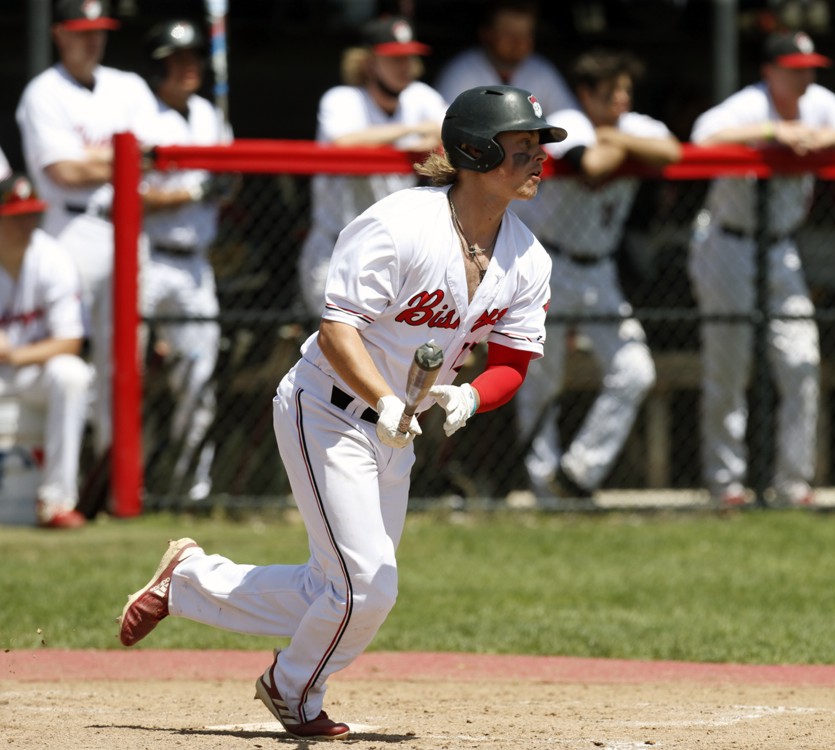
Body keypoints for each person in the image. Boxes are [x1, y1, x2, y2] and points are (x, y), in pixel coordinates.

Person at [117, 85, 563, 739]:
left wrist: (470, 395)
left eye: (538, 149)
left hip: (396, 430)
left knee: (333, 591)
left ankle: (187, 581)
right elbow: (337, 332)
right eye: (521, 148)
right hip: (325, 409)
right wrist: (383, 400)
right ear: (475, 150)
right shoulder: (400, 225)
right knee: (368, 585)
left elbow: (513, 362)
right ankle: (292, 689)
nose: (537, 160)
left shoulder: (528, 257)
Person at [687, 30, 835, 508]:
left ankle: (793, 484)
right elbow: (701, 137)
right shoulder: (750, 104)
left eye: (808, 66)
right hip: (727, 241)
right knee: (728, 367)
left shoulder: (818, 103)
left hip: (780, 247)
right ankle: (725, 483)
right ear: (769, 71)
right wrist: (773, 133)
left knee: (801, 363)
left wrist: (823, 137)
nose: (803, 76)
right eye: (793, 67)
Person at [512, 49, 681, 503]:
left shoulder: (633, 127)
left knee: (635, 370)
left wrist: (621, 141)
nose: (621, 100)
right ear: (586, 93)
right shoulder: (568, 119)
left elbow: (671, 151)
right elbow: (590, 165)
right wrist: (621, 146)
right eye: (611, 92)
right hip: (551, 263)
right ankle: (543, 488)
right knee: (541, 381)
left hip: (601, 270)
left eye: (626, 91)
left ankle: (578, 472)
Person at [15, 0, 156, 461]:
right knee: (65, 350)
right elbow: (63, 173)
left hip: (128, 224)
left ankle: (118, 471)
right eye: (80, 30)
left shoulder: (128, 85)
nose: (92, 39)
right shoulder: (43, 92)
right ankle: (63, 472)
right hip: (69, 227)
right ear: (59, 33)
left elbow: (154, 156)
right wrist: (125, 157)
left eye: (98, 29)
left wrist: (96, 157)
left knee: (125, 359)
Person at [138, 19, 233, 503]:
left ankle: (192, 489)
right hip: (146, 257)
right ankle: (123, 482)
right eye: (176, 61)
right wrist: (195, 189)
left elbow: (231, 186)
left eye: (193, 58)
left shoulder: (210, 116)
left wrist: (225, 183)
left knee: (199, 376)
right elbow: (130, 198)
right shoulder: (140, 114)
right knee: (129, 371)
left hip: (196, 262)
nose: (188, 68)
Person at [297, 14, 447, 316]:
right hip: (337, 247)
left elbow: (453, 130)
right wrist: (408, 132)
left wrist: (422, 135)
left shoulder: (420, 97)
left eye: (408, 57)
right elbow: (345, 142)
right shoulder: (342, 99)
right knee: (337, 351)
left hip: (393, 251)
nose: (405, 66)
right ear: (368, 62)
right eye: (393, 59)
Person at [0, 174, 91, 529]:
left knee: (71, 373)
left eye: (31, 214)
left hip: (29, 370)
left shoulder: (52, 258)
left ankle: (55, 502)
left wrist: (13, 355)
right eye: (15, 217)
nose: (27, 224)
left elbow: (71, 341)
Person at [434, 0, 576, 113]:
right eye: (509, 34)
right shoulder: (461, 71)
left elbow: (567, 116)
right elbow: (444, 124)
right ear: (486, 34)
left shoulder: (541, 70)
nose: (518, 42)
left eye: (525, 34)